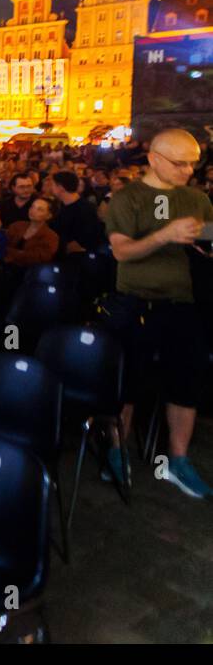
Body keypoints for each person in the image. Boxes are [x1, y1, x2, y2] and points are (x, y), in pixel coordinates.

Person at [101, 128, 213, 498]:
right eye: (179, 163)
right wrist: (165, 235)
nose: (188, 171)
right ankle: (117, 448)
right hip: (135, 302)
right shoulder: (127, 198)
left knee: (186, 381)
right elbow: (121, 251)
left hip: (181, 303)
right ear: (153, 159)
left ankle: (178, 459)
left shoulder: (196, 199)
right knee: (127, 383)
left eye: (192, 164)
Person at [49, 170, 107, 255]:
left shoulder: (85, 210)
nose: (50, 188)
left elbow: (84, 242)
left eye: (52, 185)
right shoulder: (61, 204)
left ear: (61, 188)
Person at [4, 197, 60, 267]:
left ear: (49, 216)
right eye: (32, 207)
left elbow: (38, 258)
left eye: (40, 209)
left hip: (31, 270)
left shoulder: (51, 236)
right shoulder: (16, 225)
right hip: (6, 265)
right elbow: (2, 244)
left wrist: (12, 253)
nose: (33, 211)